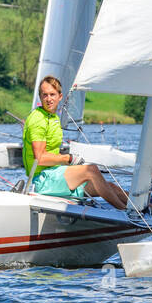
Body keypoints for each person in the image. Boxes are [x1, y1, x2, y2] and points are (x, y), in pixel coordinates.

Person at [22, 77, 127, 210]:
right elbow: (41, 158)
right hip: (43, 180)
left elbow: (51, 153)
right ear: (40, 97)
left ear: (60, 96)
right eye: (45, 95)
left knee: (109, 187)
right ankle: (124, 212)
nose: (49, 99)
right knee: (92, 170)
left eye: (52, 94)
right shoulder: (38, 119)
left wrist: (67, 159)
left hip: (54, 174)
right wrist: (68, 158)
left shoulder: (52, 117)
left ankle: (142, 208)